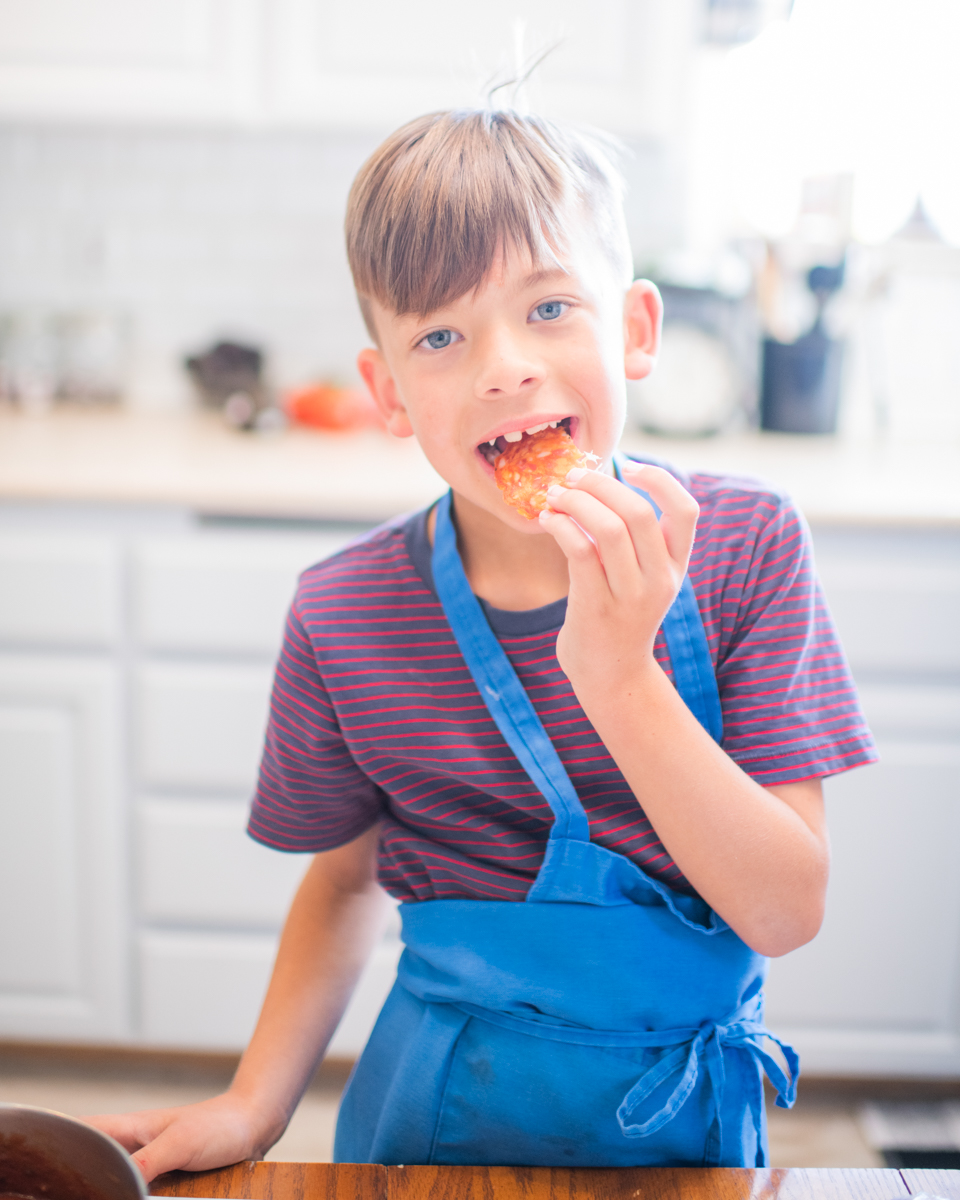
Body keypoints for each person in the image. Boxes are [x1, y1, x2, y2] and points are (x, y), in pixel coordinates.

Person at [90, 109, 876, 1177]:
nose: (505, 368)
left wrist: (617, 678)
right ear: (390, 397)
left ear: (636, 329)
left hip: (689, 1138)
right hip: (435, 1124)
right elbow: (342, 881)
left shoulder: (748, 548)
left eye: (550, 307)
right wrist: (253, 1105)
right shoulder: (345, 613)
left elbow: (786, 910)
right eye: (441, 337)